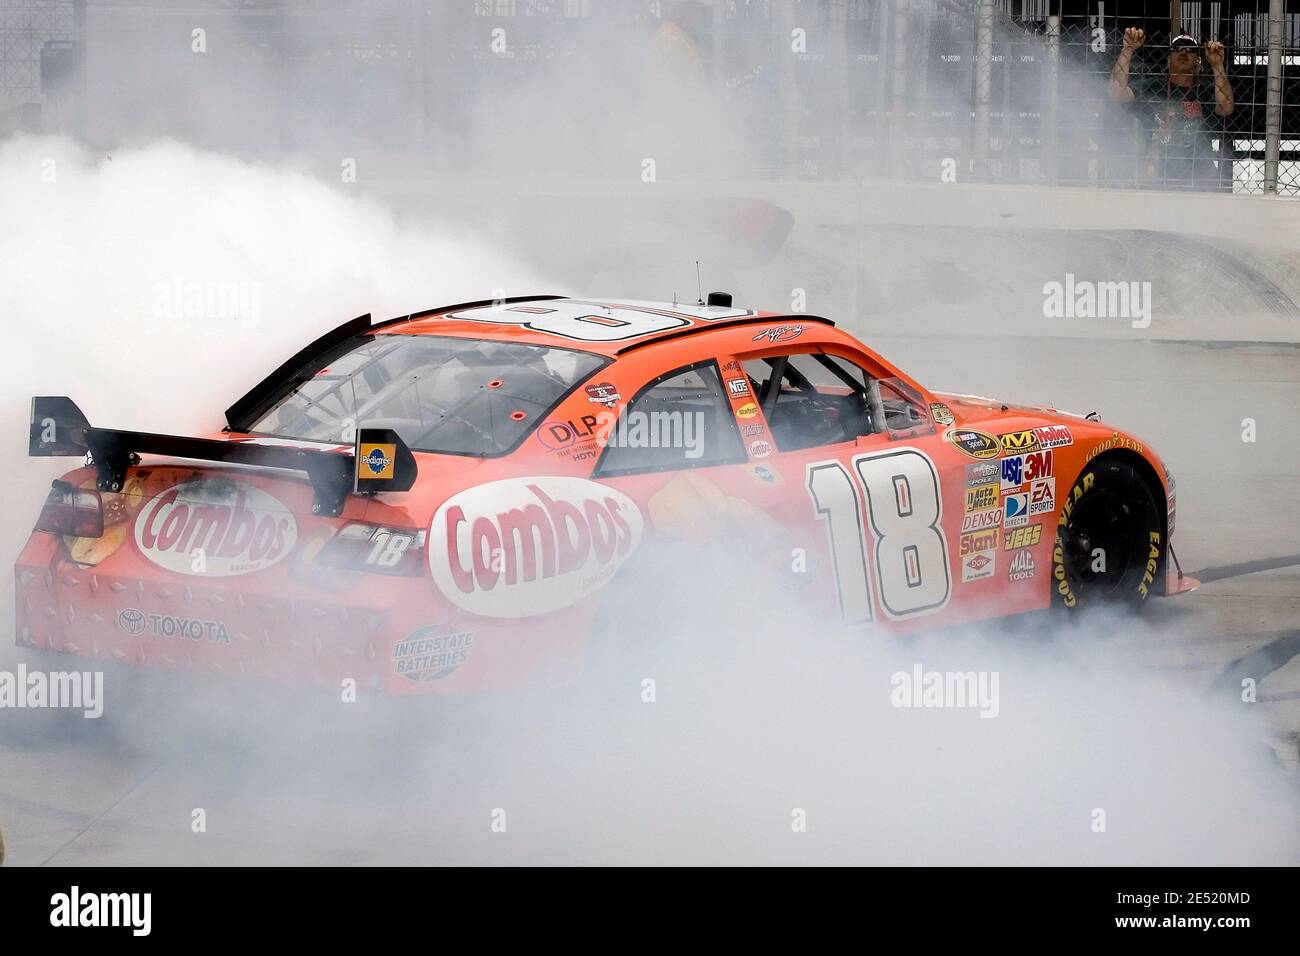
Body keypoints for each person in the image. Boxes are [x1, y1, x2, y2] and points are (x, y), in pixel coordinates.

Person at [1108, 29, 1235, 190]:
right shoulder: (1153, 87)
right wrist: (1127, 49)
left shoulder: (1206, 90)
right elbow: (1116, 92)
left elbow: (1226, 107)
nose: (1184, 51)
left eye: (1191, 49)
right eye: (1177, 48)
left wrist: (1217, 65)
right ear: (1168, 59)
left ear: (1198, 60)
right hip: (1158, 178)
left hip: (1199, 179)